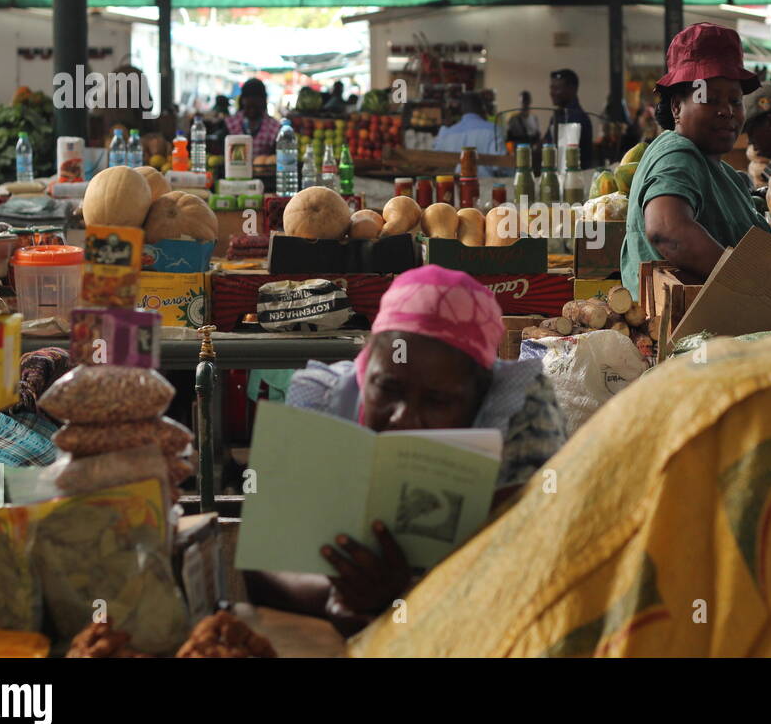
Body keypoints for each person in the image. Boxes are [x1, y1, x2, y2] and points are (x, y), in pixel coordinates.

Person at [242, 266, 568, 636]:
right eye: (387, 388)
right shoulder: (326, 400)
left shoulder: (517, 418)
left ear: (481, 395)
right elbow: (261, 565)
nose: (404, 418)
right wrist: (340, 599)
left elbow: (536, 579)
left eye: (438, 400)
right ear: (366, 369)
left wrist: (404, 597)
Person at [619, 23, 771, 299]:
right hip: (690, 335)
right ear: (677, 107)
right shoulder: (677, 154)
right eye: (710, 99)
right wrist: (749, 284)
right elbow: (667, 230)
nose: (726, 111)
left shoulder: (719, 170)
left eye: (735, 101)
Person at [433, 91, 503, 176]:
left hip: (453, 185)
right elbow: (499, 167)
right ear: (482, 108)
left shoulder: (446, 133)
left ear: (461, 109)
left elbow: (437, 162)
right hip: (485, 185)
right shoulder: (493, 130)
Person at [547, 69, 594, 168]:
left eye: (557, 88)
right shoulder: (557, 116)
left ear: (572, 89)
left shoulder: (578, 119)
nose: (552, 92)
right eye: (552, 88)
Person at [225, 78, 283, 155]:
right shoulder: (230, 124)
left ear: (263, 102)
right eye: (249, 107)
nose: (252, 111)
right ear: (242, 101)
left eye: (256, 106)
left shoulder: (274, 127)